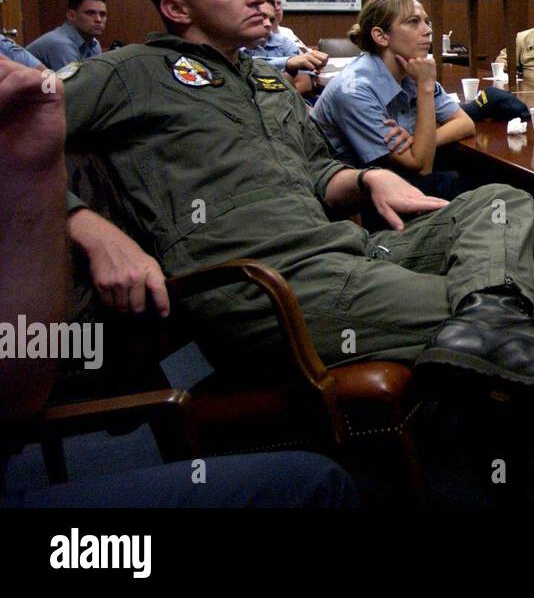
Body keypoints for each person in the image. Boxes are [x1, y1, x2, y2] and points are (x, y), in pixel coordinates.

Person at [59, 0, 534, 450]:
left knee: (499, 201)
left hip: (346, 249)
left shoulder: (266, 81)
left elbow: (317, 170)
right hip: (261, 286)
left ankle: (491, 321)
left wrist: (365, 178)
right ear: (178, 10)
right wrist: (87, 226)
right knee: (492, 344)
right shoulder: (130, 74)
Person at [0, 55, 359, 508]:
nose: (256, 1)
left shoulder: (260, 78)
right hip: (251, 282)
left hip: (316, 248)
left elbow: (17, 387)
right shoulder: (134, 73)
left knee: (314, 483)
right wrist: (78, 218)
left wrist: (43, 179)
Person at [312, 0, 475, 206]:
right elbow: (421, 165)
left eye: (427, 22)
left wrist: (416, 140)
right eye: (413, 22)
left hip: (395, 175)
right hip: (355, 198)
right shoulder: (354, 89)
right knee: (461, 186)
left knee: (476, 172)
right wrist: (425, 87)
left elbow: (465, 123)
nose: (427, 31)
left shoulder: (410, 68)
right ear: (381, 36)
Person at [27, 0, 107, 70]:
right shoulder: (60, 44)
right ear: (71, 16)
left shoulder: (94, 44)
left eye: (102, 14)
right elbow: (75, 82)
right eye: (90, 13)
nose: (99, 19)